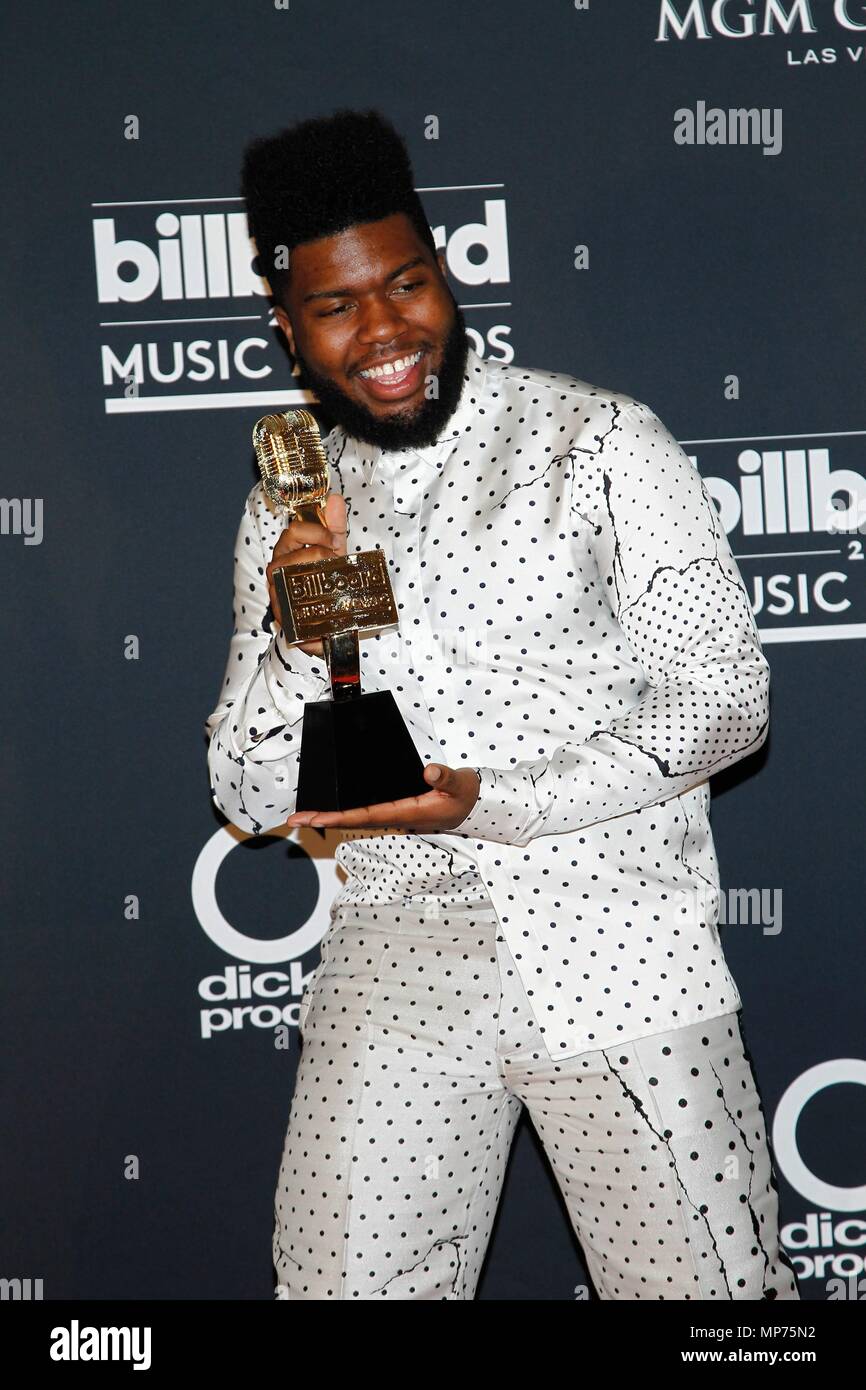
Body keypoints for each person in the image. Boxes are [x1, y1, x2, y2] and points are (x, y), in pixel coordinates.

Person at [204, 107, 800, 1301]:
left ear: (443, 272)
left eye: (407, 284)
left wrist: (495, 801)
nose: (384, 330)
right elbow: (246, 794)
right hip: (393, 972)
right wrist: (287, 625)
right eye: (336, 307)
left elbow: (727, 702)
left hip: (621, 959)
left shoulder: (598, 439)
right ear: (286, 329)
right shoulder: (287, 510)